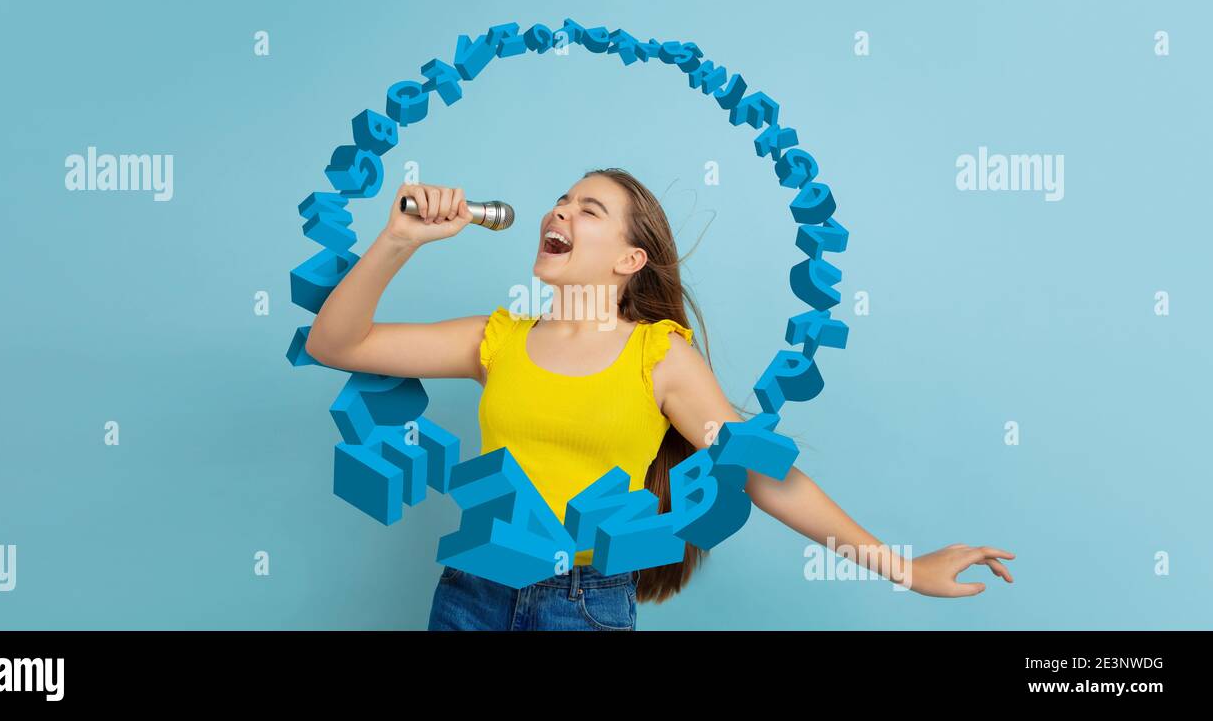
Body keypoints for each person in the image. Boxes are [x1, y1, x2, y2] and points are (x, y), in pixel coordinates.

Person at [303, 167, 1015, 631]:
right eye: (562, 200)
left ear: (628, 260)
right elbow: (336, 343)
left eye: (589, 209)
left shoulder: (659, 354)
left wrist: (904, 567)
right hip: (469, 594)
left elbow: (763, 474)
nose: (560, 211)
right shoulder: (497, 340)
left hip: (582, 605)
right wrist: (401, 240)